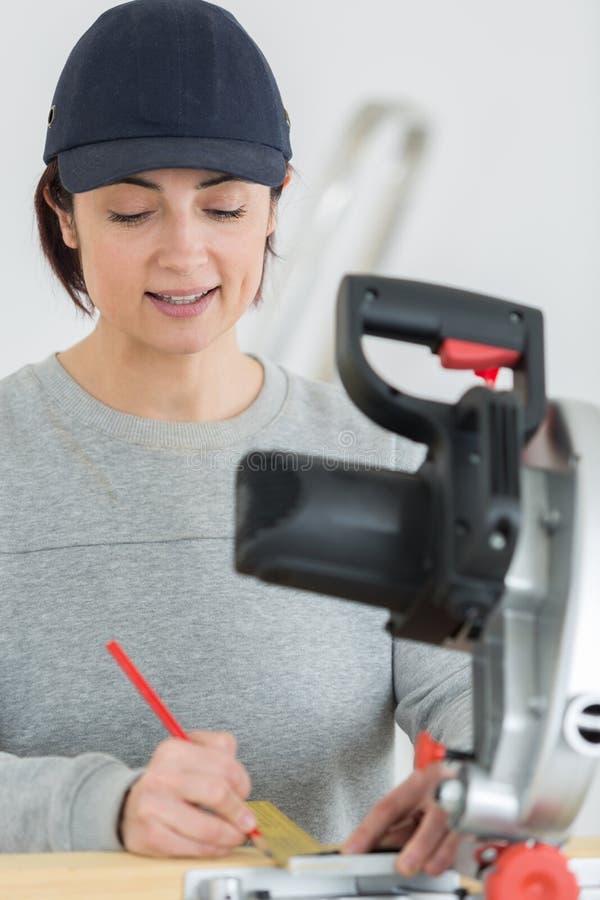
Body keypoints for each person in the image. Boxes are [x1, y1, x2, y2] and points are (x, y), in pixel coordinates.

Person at [0, 0, 472, 877]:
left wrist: (476, 784)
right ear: (64, 216)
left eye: (221, 208)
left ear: (275, 208)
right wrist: (108, 805)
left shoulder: (384, 455)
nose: (184, 256)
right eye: (131, 215)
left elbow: (471, 689)